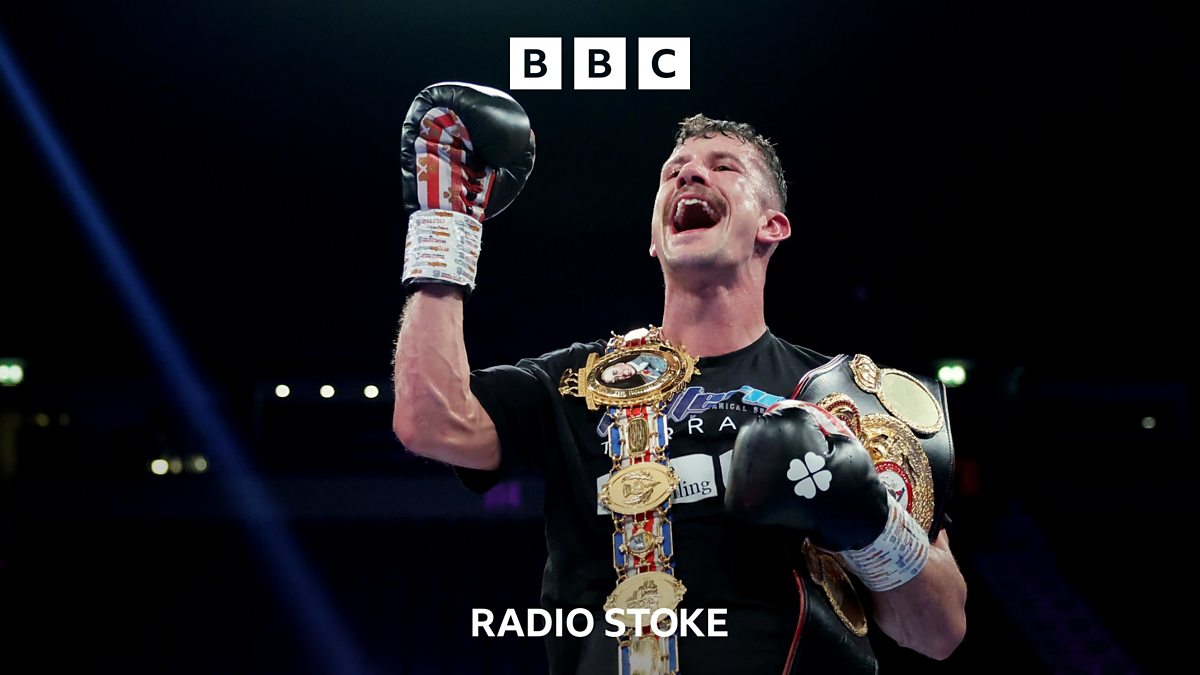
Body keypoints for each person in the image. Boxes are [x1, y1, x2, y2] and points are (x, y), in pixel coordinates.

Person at [393, 83, 967, 674]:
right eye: (675, 172)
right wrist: (444, 228)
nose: (690, 178)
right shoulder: (576, 381)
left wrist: (870, 520)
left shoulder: (843, 401)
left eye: (723, 167)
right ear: (653, 240)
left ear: (772, 226)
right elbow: (429, 422)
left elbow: (938, 630)